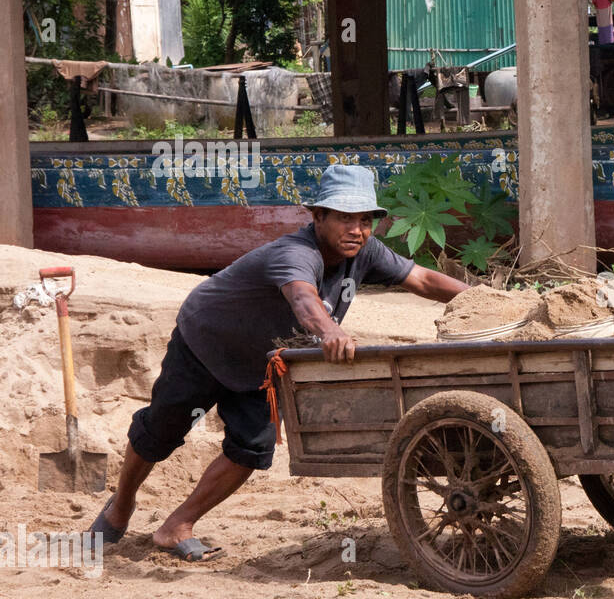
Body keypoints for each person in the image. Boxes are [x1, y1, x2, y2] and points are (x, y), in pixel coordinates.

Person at [88, 164, 468, 560]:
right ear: (317, 216)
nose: (356, 229)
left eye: (365, 219)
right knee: (160, 431)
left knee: (253, 447)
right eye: (343, 218)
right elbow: (304, 299)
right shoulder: (294, 253)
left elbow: (422, 279)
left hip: (263, 364)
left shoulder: (366, 251)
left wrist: (482, 298)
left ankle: (176, 526)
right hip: (206, 343)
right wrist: (329, 332)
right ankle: (121, 506)